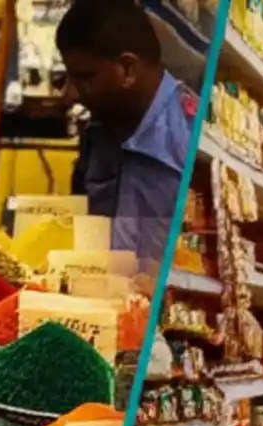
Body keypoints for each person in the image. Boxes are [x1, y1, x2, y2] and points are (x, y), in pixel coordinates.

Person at [57, 0, 198, 276]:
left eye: (84, 77)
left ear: (127, 69)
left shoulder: (193, 133)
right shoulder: (97, 134)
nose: (70, 95)